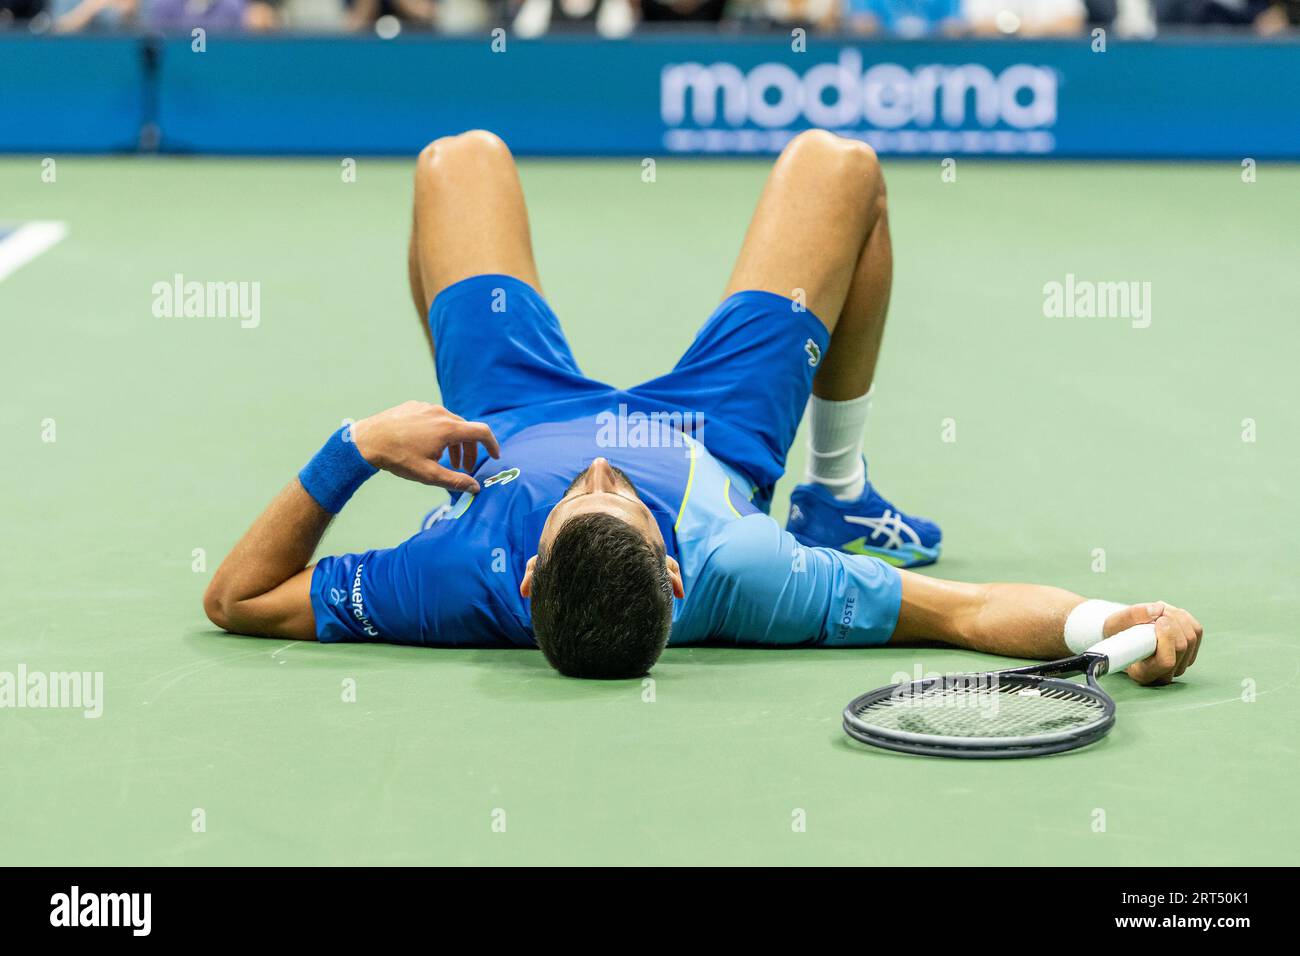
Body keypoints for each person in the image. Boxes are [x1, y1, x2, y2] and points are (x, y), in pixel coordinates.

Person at [204, 129, 1202, 684]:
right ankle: (838, 492)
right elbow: (968, 610)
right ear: (677, 572)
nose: (602, 473)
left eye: (582, 497)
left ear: (529, 572)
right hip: (709, 429)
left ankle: (839, 487)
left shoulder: (453, 578)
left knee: (455, 161)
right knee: (841, 168)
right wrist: (1111, 618)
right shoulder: (749, 571)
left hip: (509, 416)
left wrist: (356, 444)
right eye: (617, 497)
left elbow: (237, 599)